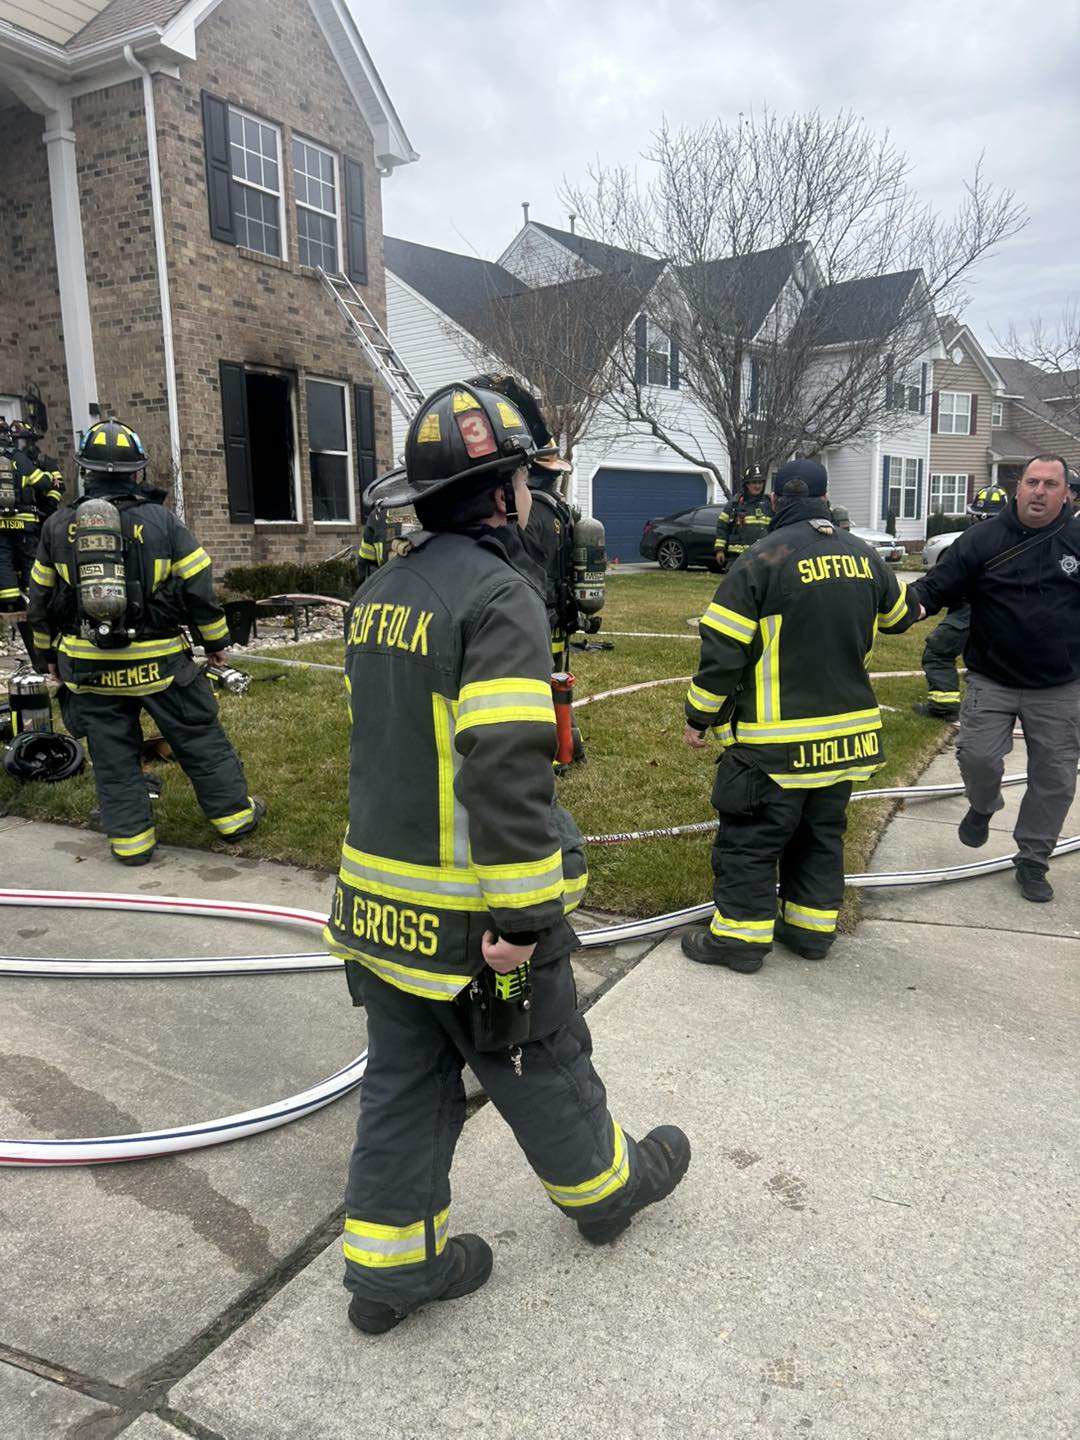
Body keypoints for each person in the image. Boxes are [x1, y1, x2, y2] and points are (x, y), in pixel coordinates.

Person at [324, 380, 690, 1335]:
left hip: (375, 910)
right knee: (541, 1056)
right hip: (469, 921)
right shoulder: (500, 598)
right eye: (526, 475)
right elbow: (503, 774)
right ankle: (609, 1193)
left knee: (403, 1086)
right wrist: (524, 920)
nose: (531, 491)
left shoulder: (378, 595)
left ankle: (388, 1274)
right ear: (501, 494)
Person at [681, 459, 921, 973]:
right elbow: (901, 617)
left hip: (774, 745)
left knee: (750, 840)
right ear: (825, 495)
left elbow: (722, 652)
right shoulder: (864, 554)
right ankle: (811, 932)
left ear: (772, 501)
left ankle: (739, 942)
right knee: (820, 834)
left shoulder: (762, 560)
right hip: (845, 739)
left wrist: (697, 717)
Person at [26, 418, 264, 865]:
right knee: (198, 737)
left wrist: (47, 659)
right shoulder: (162, 523)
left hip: (88, 664)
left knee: (113, 755)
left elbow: (39, 600)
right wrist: (215, 643)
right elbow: (198, 589)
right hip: (160, 664)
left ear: (84, 469)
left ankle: (131, 844)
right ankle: (235, 820)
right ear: (138, 471)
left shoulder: (57, 526)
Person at [913, 455, 1080, 903]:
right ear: (1017, 488)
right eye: (1032, 482)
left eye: (1050, 484)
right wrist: (905, 607)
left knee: (1056, 778)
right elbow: (935, 586)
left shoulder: (1077, 540)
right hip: (993, 678)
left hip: (1061, 685)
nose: (1040, 491)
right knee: (978, 759)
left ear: (1067, 493)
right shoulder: (982, 538)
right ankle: (984, 805)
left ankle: (1032, 859)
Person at [912, 484, 1008, 721]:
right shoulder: (1014, 541)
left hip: (972, 610)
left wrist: (912, 596)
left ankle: (943, 707)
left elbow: (945, 578)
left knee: (938, 650)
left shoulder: (971, 541)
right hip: (1003, 615)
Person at [0, 417, 63, 614]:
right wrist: (47, 481)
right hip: (25, 522)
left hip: (5, 522)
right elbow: (43, 483)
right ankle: (34, 601)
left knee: (3, 560)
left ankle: (9, 600)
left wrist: (49, 507)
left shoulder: (43, 460)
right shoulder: (19, 458)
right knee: (30, 561)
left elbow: (58, 488)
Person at [714, 464, 772, 570]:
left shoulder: (769, 504)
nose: (757, 486)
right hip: (737, 559)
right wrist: (720, 549)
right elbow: (722, 526)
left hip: (762, 557)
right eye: (754, 482)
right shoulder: (735, 504)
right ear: (747, 484)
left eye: (760, 482)